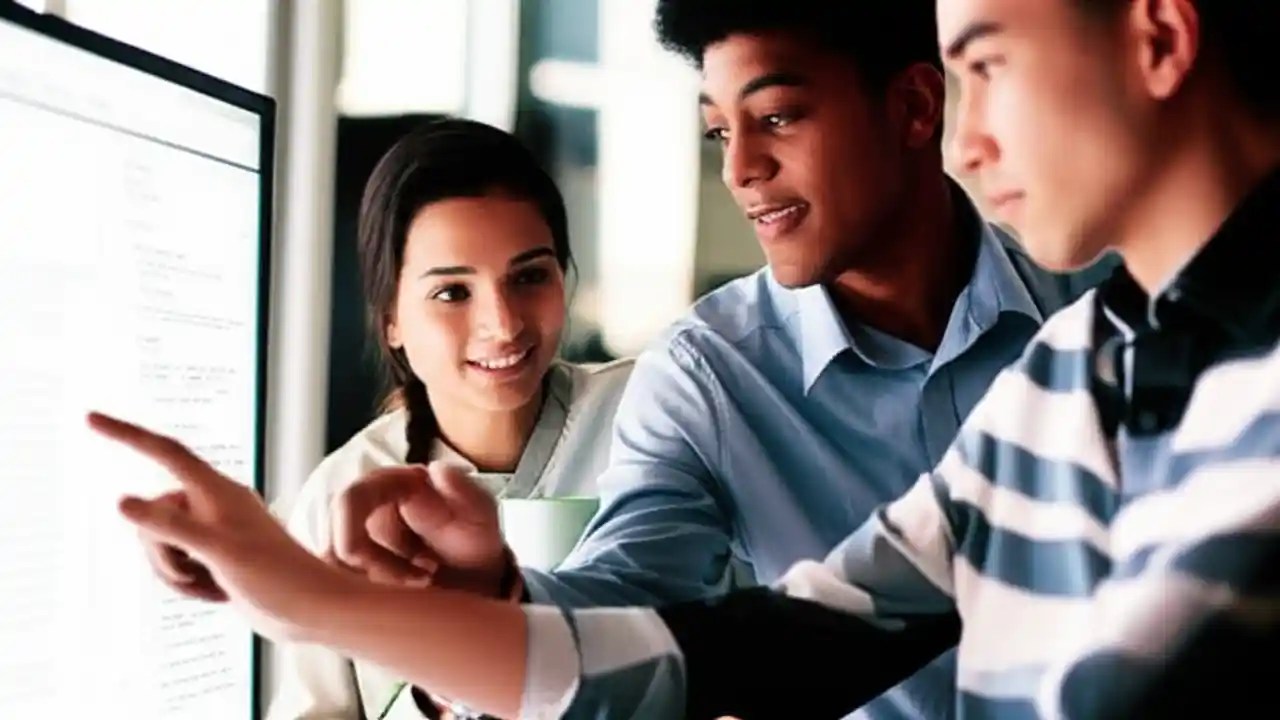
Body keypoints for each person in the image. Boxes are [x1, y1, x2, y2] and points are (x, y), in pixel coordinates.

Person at [92, 0, 1280, 717]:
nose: (971, 134)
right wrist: (321, 596)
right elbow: (739, 648)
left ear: (1158, 35)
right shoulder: (1076, 377)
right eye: (719, 132)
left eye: (988, 64)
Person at [153, 117, 634, 720]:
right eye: (452, 293)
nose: (503, 324)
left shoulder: (647, 417)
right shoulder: (344, 493)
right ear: (391, 320)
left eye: (530, 276)